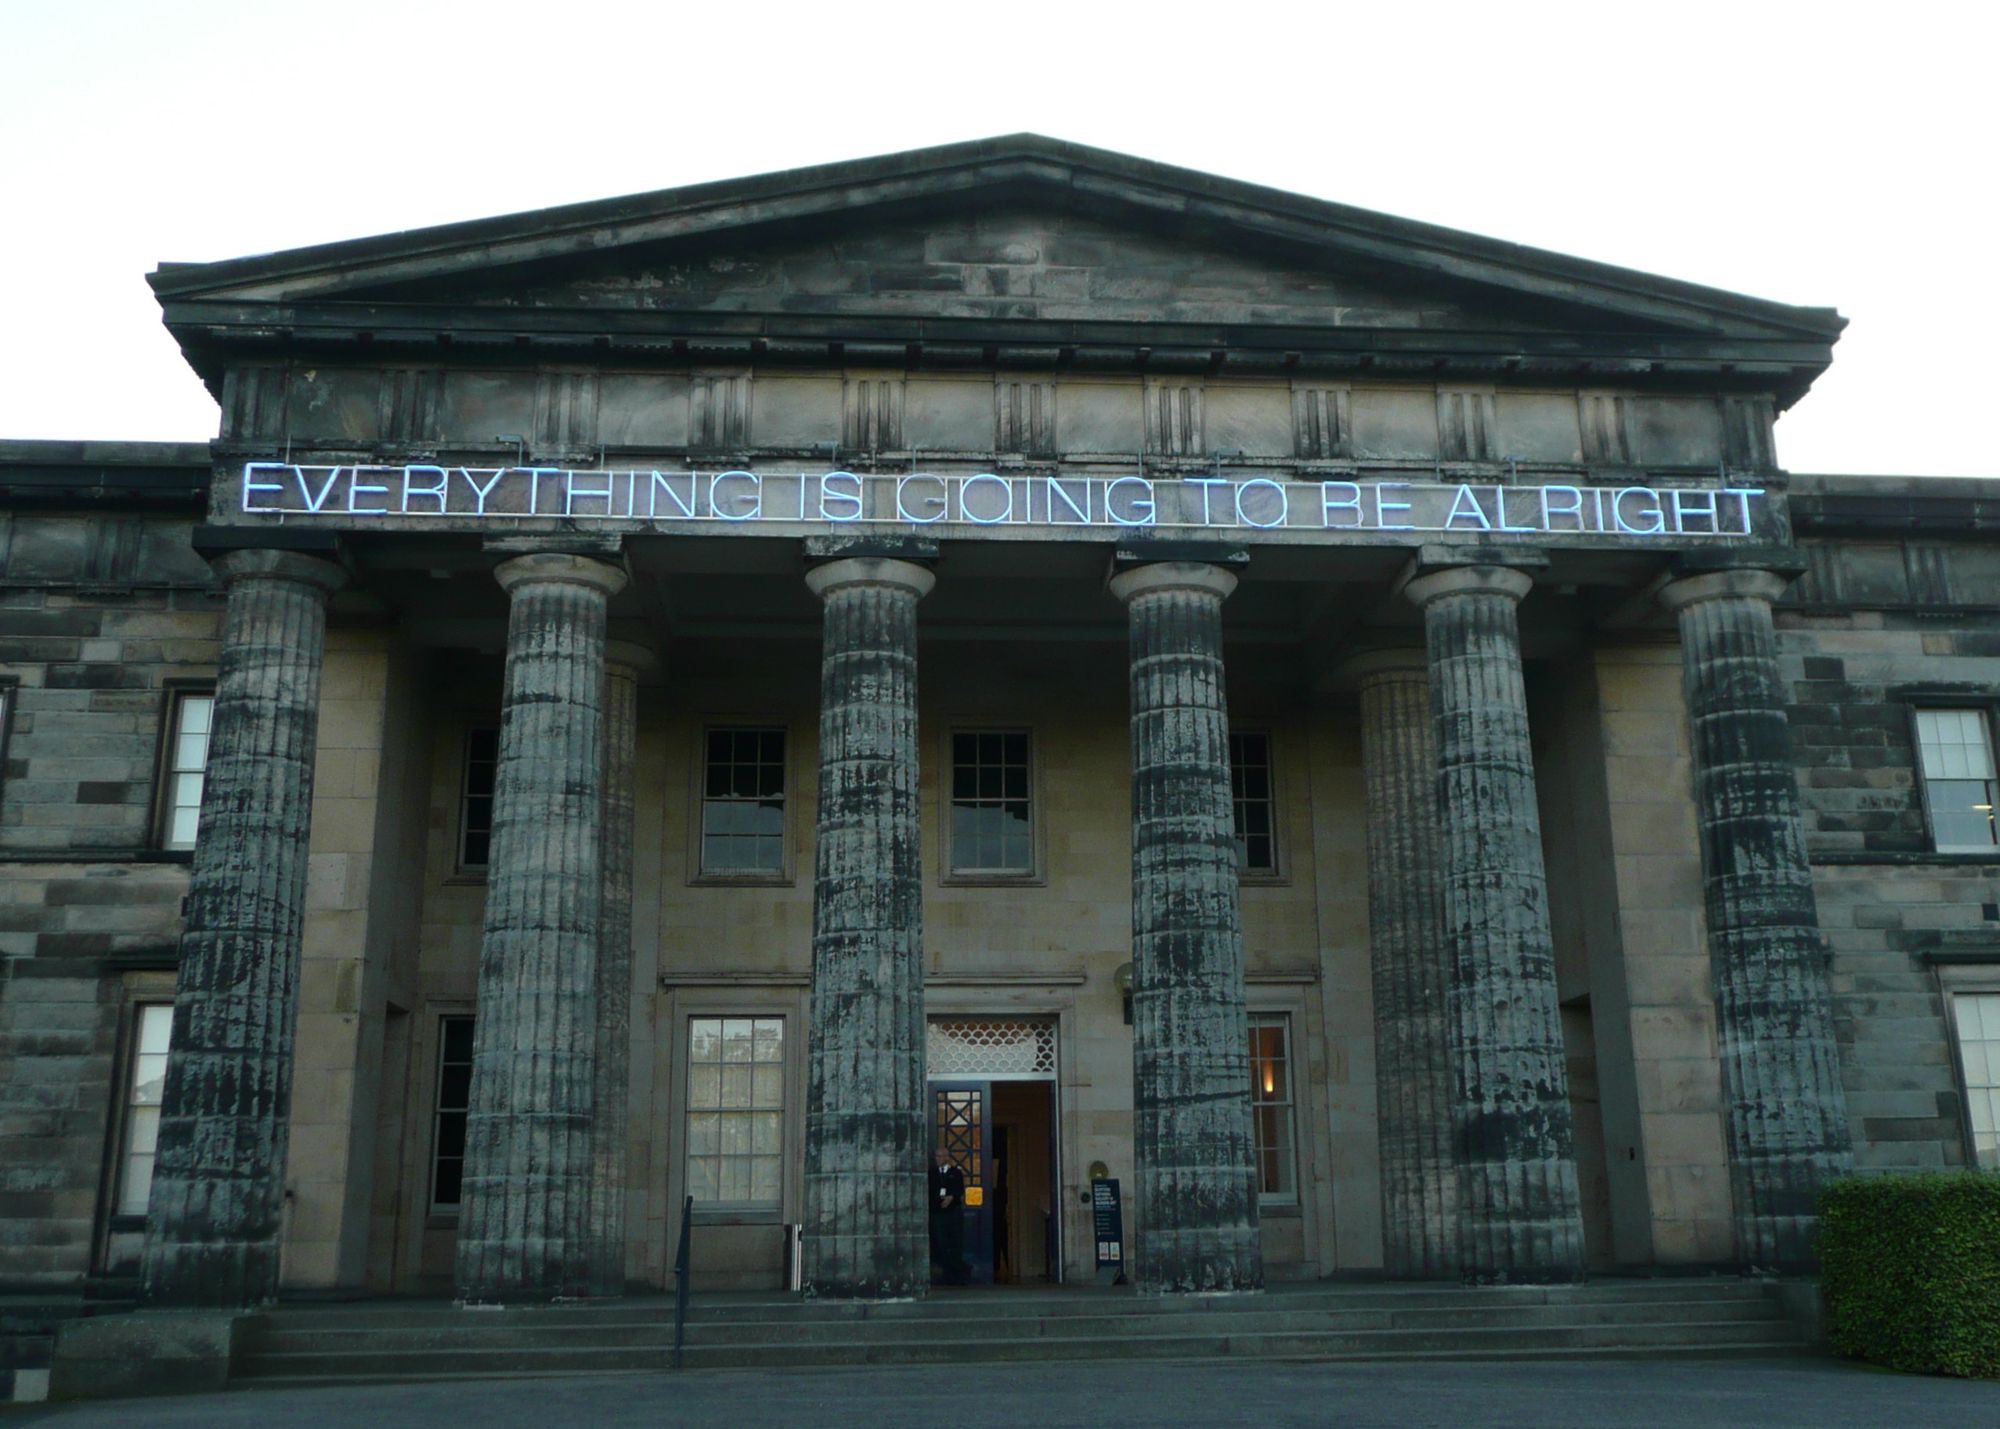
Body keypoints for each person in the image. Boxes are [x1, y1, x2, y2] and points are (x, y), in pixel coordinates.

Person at [929, 1150, 968, 1285]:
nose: (938, 1159)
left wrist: (951, 1197)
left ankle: (955, 1275)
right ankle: (942, 1273)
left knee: (954, 1243)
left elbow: (960, 1190)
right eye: (937, 1156)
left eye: (941, 1156)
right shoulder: (932, 1174)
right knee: (940, 1243)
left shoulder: (955, 1173)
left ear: (947, 1157)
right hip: (937, 1213)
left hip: (952, 1213)